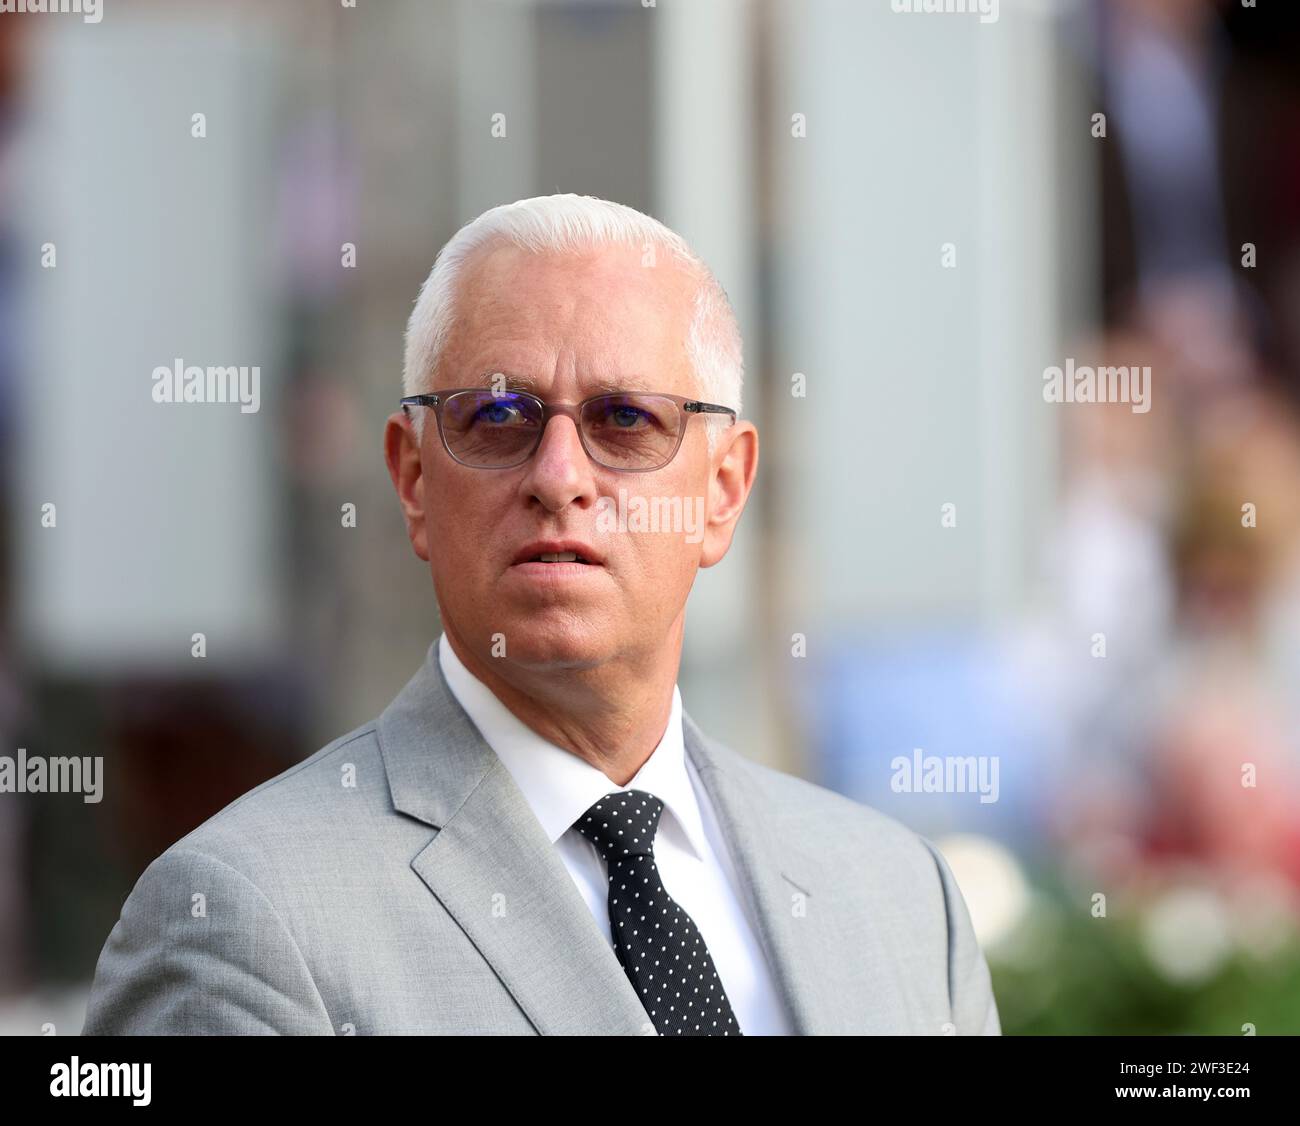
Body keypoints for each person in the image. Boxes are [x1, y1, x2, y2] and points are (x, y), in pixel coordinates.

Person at [81, 194, 1000, 1035]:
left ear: (723, 491)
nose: (560, 477)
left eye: (626, 420)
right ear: (411, 479)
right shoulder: (242, 920)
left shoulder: (902, 900)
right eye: (499, 415)